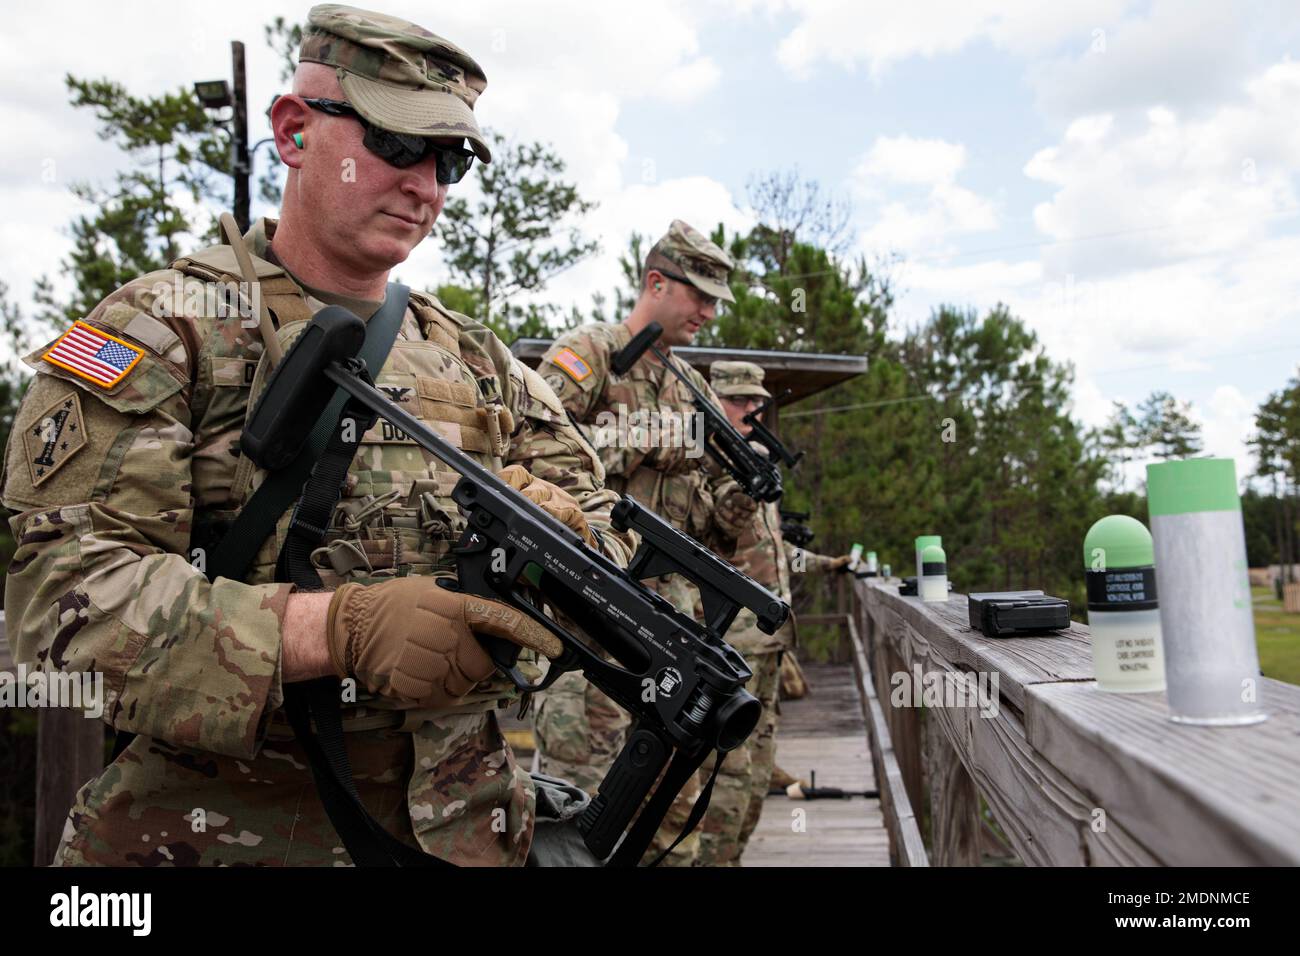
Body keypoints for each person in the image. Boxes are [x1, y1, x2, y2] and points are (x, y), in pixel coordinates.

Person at [1, 3, 635, 867]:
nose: (427, 186)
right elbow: (61, 608)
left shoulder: (480, 361)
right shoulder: (163, 333)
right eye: (400, 146)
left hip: (462, 837)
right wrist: (333, 631)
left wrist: (571, 546)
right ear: (294, 132)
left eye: (450, 161)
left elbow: (613, 551)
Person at [531, 221, 757, 865]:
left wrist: (739, 500)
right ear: (656, 283)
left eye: (717, 301)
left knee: (669, 803)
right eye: (702, 296)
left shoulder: (690, 387)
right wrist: (645, 439)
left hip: (674, 624)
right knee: (579, 792)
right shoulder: (592, 353)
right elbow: (534, 450)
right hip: (594, 614)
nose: (710, 313)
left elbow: (711, 520)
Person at [695, 360, 851, 866]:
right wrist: (744, 480)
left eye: (756, 402)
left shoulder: (752, 460)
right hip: (730, 644)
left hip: (765, 643)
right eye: (739, 400)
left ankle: (732, 857)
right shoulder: (704, 462)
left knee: (758, 772)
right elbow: (716, 523)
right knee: (728, 770)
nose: (750, 410)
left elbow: (777, 554)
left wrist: (832, 565)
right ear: (713, 400)